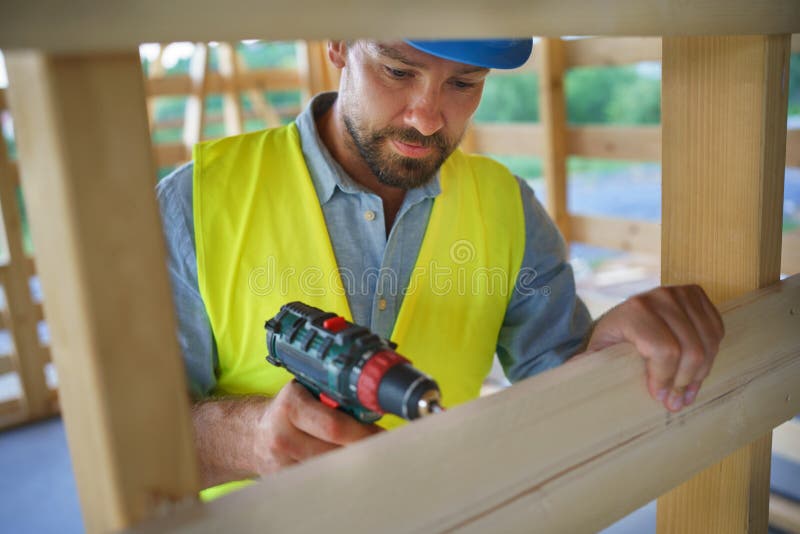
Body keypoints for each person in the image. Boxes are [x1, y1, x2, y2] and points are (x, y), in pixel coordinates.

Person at [156, 39, 724, 495]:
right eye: (398, 71)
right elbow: (137, 441)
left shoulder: (507, 207)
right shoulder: (194, 205)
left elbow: (562, 388)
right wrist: (246, 440)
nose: (427, 118)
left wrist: (612, 351)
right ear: (337, 42)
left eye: (464, 83)